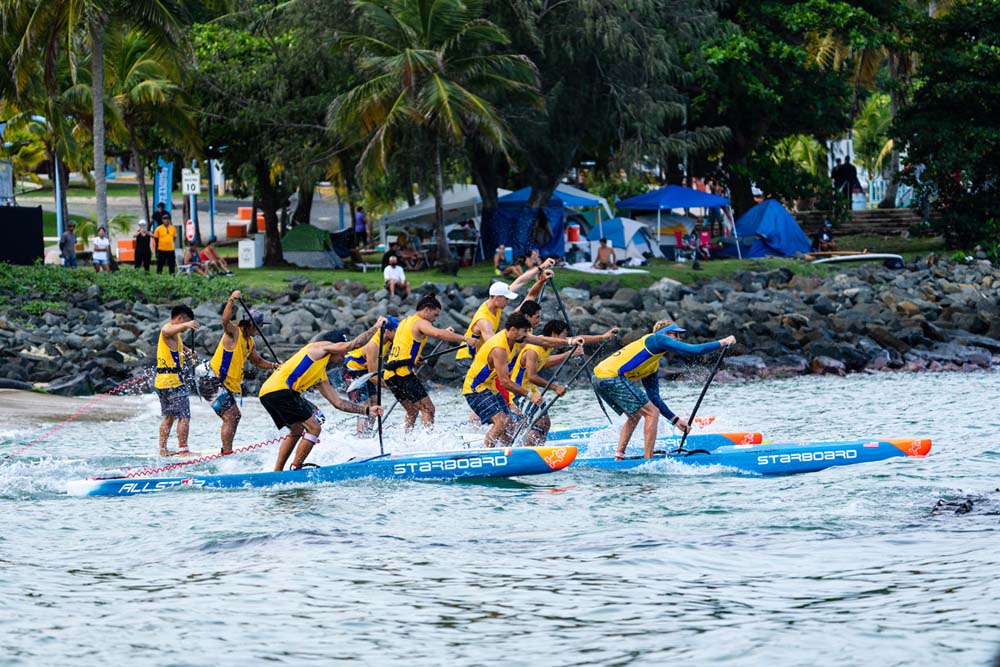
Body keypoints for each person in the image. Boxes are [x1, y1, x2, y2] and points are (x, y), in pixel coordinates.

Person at [592, 320, 735, 460]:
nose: (678, 339)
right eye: (676, 335)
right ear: (665, 334)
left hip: (598, 378)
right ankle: (649, 460)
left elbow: (654, 398)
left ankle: (619, 456)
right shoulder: (656, 338)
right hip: (610, 377)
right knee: (652, 413)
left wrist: (676, 420)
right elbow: (694, 350)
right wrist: (723, 342)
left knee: (635, 415)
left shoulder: (652, 363)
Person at [259, 318, 388, 471]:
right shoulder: (319, 347)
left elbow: (338, 403)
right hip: (281, 391)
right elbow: (353, 345)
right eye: (342, 353)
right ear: (335, 347)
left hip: (267, 393)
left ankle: (277, 472)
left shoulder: (320, 373)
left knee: (297, 430)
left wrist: (367, 411)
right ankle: (296, 468)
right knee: (314, 428)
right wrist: (376, 327)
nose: (344, 357)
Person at [462, 313, 584, 447]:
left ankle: (506, 450)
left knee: (508, 421)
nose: (527, 335)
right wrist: (529, 395)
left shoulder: (516, 337)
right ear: (513, 330)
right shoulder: (499, 349)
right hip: (475, 388)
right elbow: (505, 382)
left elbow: (544, 341)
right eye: (524, 331)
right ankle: (488, 454)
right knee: (501, 421)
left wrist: (569, 341)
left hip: (489, 386)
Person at [508, 321, 618, 445]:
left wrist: (603, 337)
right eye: (563, 335)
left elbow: (579, 340)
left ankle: (538, 452)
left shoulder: (546, 345)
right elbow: (532, 376)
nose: (565, 339)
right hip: (520, 391)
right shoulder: (533, 350)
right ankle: (527, 451)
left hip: (531, 389)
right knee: (538, 423)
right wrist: (555, 387)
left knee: (545, 423)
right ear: (554, 334)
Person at [197, 291, 280, 454]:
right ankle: (227, 453)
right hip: (211, 379)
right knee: (232, 416)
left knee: (233, 417)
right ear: (250, 325)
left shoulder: (249, 343)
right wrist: (231, 300)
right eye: (259, 326)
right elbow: (224, 320)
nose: (260, 330)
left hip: (221, 383)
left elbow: (258, 362)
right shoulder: (234, 333)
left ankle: (226, 450)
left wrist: (274, 366)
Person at [383, 295, 474, 432]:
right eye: (435, 314)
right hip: (404, 375)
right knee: (429, 409)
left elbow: (404, 347)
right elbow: (438, 335)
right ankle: (428, 441)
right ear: (426, 310)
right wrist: (466, 339)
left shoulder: (404, 323)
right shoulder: (421, 322)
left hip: (391, 375)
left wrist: (416, 358)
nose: (435, 319)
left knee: (412, 411)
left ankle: (405, 441)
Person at [154, 305, 200, 456]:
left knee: (169, 416)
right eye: (186, 321)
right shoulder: (168, 329)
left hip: (162, 382)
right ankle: (184, 451)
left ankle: (162, 449)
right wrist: (187, 324)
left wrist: (188, 352)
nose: (186, 327)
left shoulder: (175, 335)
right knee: (184, 416)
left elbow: (178, 344)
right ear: (180, 318)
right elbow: (165, 331)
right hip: (173, 382)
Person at [342, 316, 399, 436]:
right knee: (364, 404)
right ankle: (360, 436)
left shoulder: (389, 339)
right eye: (396, 332)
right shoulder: (373, 345)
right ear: (388, 331)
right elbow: (373, 377)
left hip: (367, 369)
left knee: (375, 402)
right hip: (353, 370)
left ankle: (368, 433)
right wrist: (392, 387)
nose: (398, 335)